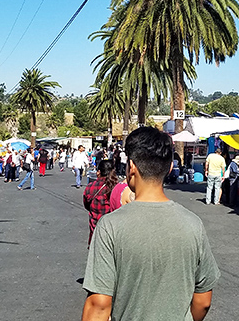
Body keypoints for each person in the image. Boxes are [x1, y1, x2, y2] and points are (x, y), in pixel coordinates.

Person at [81, 127, 220, 321]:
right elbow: (203, 300)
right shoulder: (193, 224)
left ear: (132, 167)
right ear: (170, 168)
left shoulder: (110, 226)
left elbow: (99, 306)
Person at [83, 160, 118, 245]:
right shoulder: (116, 187)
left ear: (98, 172)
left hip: (95, 230)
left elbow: (86, 205)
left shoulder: (90, 187)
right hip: (113, 231)